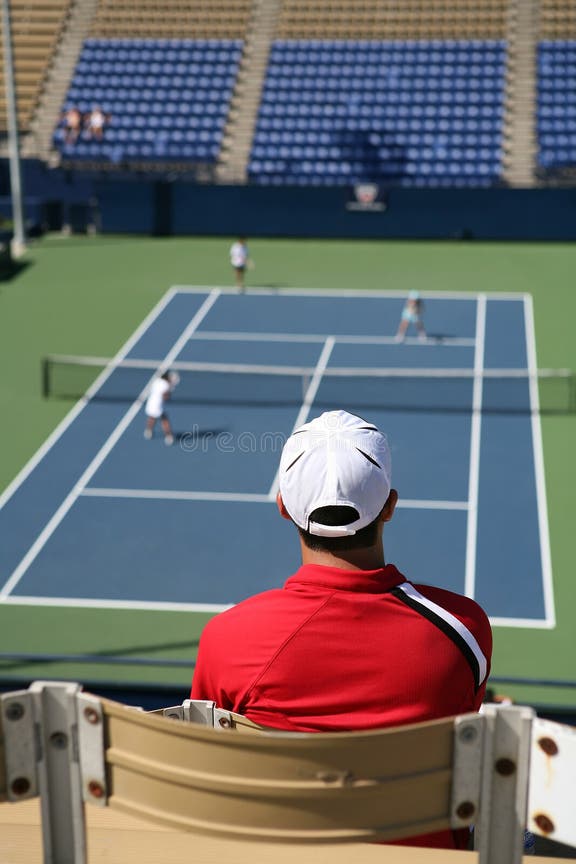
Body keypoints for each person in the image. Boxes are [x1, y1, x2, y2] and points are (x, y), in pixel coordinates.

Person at [191, 409, 492, 851]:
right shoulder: (464, 630)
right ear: (389, 506)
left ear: (283, 506)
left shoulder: (226, 640)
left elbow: (208, 767)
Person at [143, 371, 175, 445]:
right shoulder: (166, 385)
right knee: (164, 419)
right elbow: (165, 397)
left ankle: (148, 431)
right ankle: (169, 437)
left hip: (150, 402)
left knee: (152, 417)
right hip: (157, 405)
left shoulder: (157, 381)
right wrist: (170, 390)